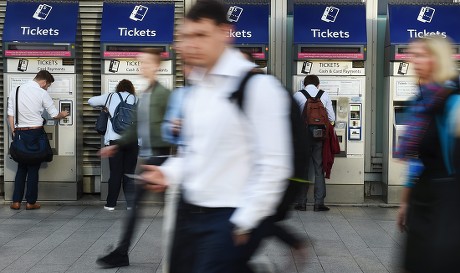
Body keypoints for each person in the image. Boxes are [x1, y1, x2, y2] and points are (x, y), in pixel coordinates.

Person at [140, 1, 292, 272]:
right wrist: (169, 173)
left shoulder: (257, 87)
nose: (191, 44)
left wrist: (247, 220)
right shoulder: (198, 90)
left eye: (201, 35)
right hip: (189, 213)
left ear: (225, 32)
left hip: (229, 218)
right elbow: (195, 152)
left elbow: (275, 165)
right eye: (186, 36)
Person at [96, 48, 171, 268]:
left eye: (147, 63)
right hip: (150, 159)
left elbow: (174, 127)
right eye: (141, 63)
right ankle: (122, 252)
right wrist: (116, 146)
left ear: (157, 66)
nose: (142, 66)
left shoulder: (163, 95)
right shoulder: (145, 95)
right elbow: (136, 126)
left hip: (162, 159)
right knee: (136, 206)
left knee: (179, 210)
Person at [396, 35, 460, 273]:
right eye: (412, 54)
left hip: (448, 200)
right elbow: (416, 160)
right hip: (423, 198)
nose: (414, 60)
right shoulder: (421, 101)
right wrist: (405, 201)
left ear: (437, 59)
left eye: (421, 55)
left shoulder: (453, 101)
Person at [8, 70, 69, 210]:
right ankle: (30, 202)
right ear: (44, 82)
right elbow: (54, 115)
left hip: (19, 133)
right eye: (48, 86)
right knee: (33, 168)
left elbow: (10, 114)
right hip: (35, 133)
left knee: (21, 168)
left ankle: (16, 202)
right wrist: (63, 114)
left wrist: (13, 131)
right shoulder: (42, 93)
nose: (47, 88)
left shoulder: (15, 90)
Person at [88, 79, 138, 211]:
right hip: (132, 141)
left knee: (115, 172)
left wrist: (105, 107)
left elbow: (91, 101)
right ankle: (131, 205)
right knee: (129, 173)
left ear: (119, 87)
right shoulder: (137, 99)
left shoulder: (110, 96)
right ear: (131, 88)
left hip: (114, 142)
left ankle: (110, 204)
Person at [293, 75, 335, 212]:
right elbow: (332, 118)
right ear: (318, 85)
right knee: (319, 168)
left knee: (303, 168)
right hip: (319, 136)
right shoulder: (324, 95)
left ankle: (301, 203)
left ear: (304, 84)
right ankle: (319, 203)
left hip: (303, 136)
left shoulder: (298, 95)